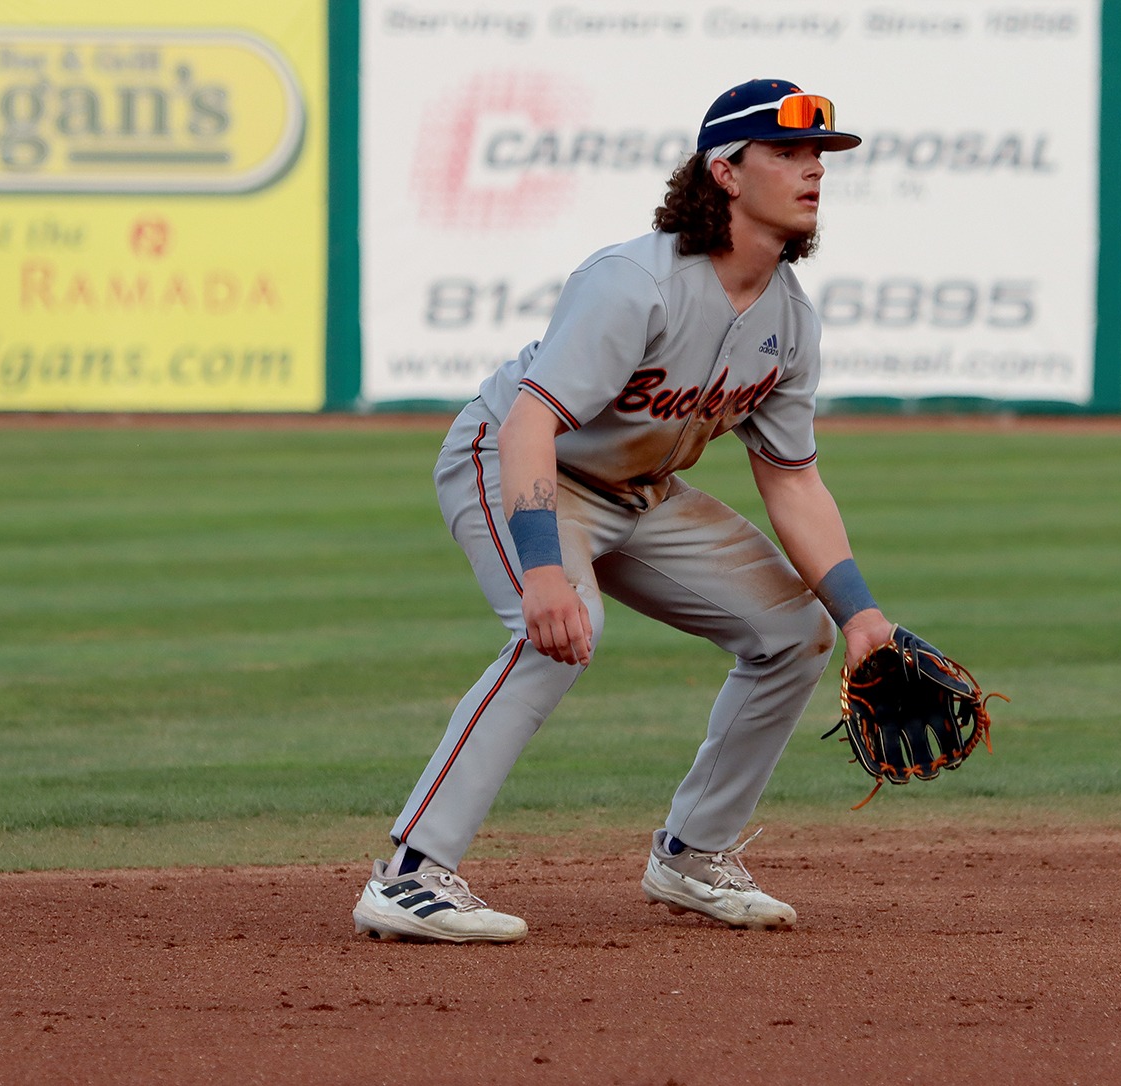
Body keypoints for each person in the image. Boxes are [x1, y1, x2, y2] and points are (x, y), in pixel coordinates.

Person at [353, 78, 897, 944]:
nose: (814, 171)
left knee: (795, 632)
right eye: (788, 152)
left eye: (820, 156)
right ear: (725, 172)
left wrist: (860, 612)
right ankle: (410, 875)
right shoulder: (634, 283)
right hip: (512, 461)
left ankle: (693, 854)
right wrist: (542, 572)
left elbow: (793, 480)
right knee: (562, 627)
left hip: (641, 492)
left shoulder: (790, 323)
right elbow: (530, 425)